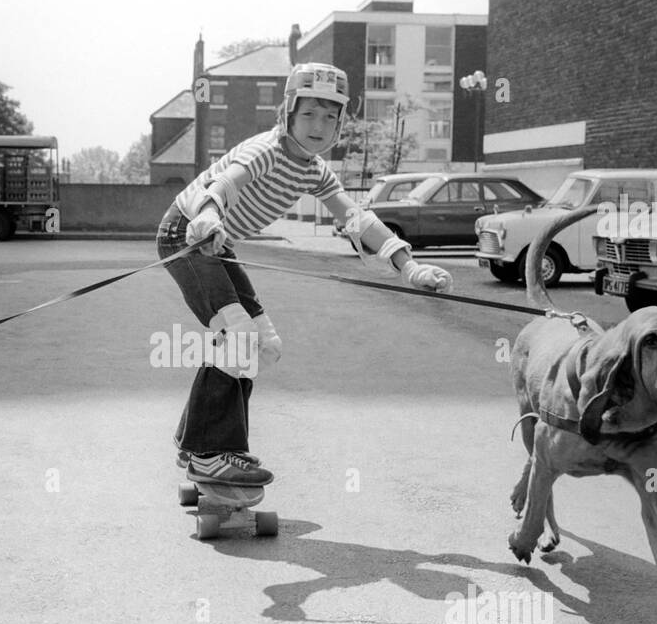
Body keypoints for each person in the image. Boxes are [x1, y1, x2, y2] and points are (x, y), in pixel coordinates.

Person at [158, 62, 453, 487]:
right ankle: (212, 454)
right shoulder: (267, 151)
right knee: (237, 334)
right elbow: (224, 184)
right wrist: (207, 217)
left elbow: (358, 219)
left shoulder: (315, 169)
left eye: (330, 117)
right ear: (287, 114)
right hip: (187, 233)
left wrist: (410, 267)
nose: (319, 125)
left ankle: (195, 442)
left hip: (220, 244)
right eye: (309, 114)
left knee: (265, 345)